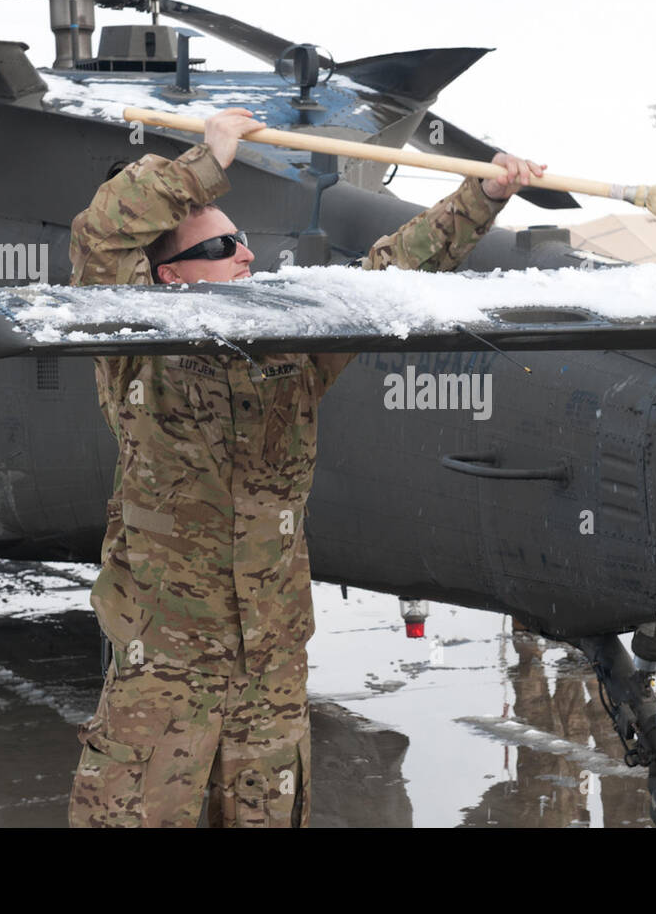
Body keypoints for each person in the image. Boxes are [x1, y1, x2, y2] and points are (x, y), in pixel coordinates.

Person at [66, 107, 543, 827]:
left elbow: (391, 275)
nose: (247, 255)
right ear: (169, 278)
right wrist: (204, 163)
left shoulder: (291, 351)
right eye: (223, 245)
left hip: (271, 676)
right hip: (165, 676)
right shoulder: (138, 353)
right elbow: (101, 235)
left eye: (245, 239)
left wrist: (486, 195)